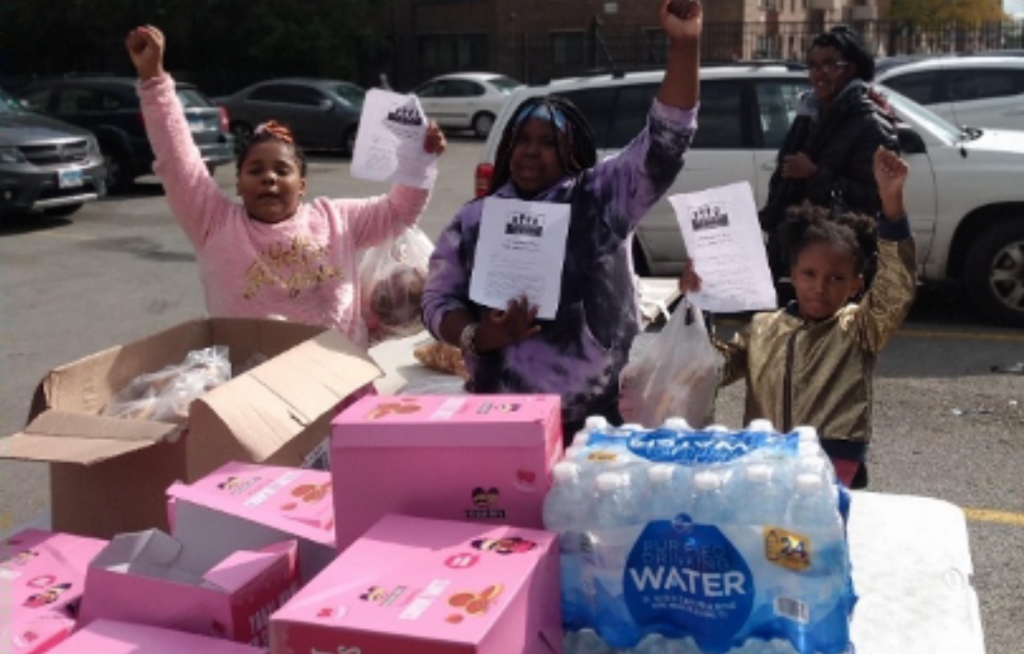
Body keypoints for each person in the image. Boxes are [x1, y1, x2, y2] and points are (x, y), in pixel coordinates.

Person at [421, 0, 703, 443]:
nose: (530, 151)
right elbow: (437, 301)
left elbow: (667, 141)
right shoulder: (474, 220)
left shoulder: (601, 198)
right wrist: (480, 335)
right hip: (500, 415)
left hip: (594, 419)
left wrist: (684, 46)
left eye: (548, 142)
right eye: (522, 140)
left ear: (572, 152)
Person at [124, 25, 447, 350]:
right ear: (238, 184)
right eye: (255, 170)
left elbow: (399, 212)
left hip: (343, 381)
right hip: (253, 386)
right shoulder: (214, 222)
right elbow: (178, 161)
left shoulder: (336, 220)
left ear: (302, 184)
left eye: (282, 170)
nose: (270, 178)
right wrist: (154, 81)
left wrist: (418, 157)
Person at [677, 146, 916, 488]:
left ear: (855, 285)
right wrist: (697, 301)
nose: (820, 287)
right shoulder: (762, 327)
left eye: (836, 278)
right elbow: (715, 367)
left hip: (831, 458)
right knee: (769, 537)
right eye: (809, 274)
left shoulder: (860, 327)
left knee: (811, 536)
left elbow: (897, 288)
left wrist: (892, 204)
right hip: (762, 455)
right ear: (792, 273)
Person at [759, 25, 899, 295]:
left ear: (853, 68)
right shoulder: (809, 114)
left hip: (840, 261)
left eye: (830, 65)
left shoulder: (870, 123)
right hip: (798, 251)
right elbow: (786, 178)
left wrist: (814, 174)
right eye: (813, 65)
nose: (818, 74)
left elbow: (875, 199)